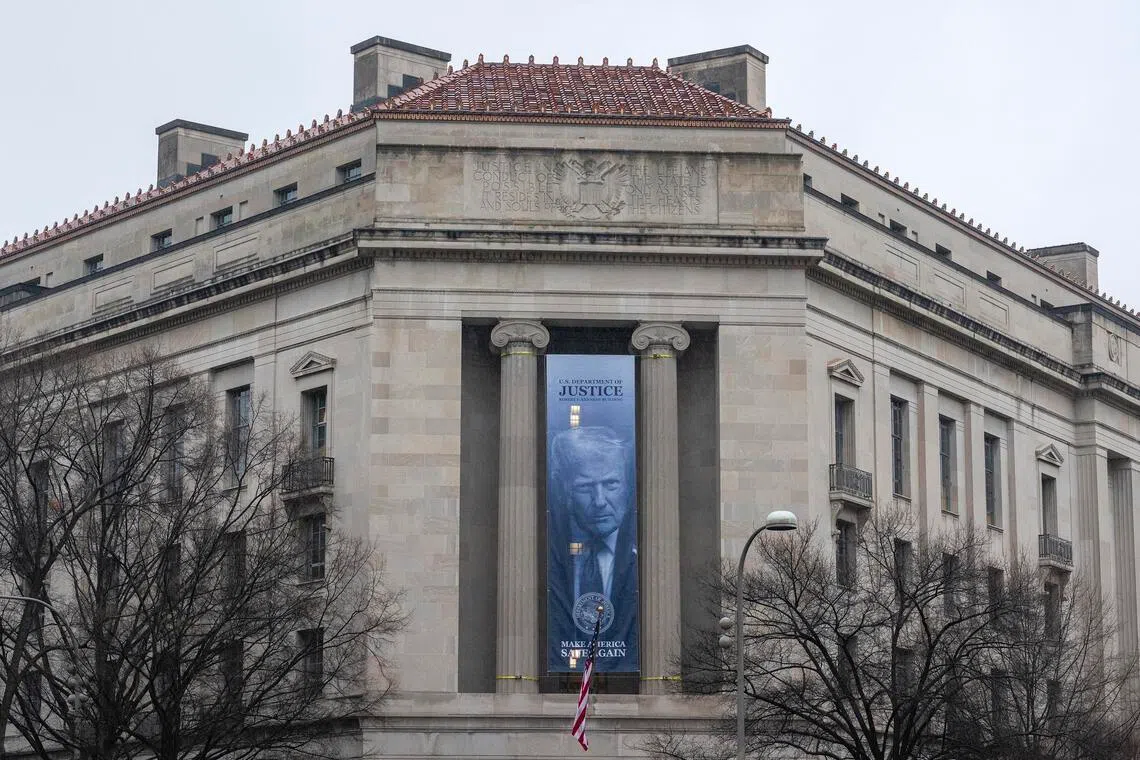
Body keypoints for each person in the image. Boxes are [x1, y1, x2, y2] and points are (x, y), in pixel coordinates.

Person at [547, 426, 638, 673]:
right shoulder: (548, 557)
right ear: (566, 492)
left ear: (628, 488)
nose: (599, 501)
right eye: (585, 488)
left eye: (610, 484)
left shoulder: (640, 557)